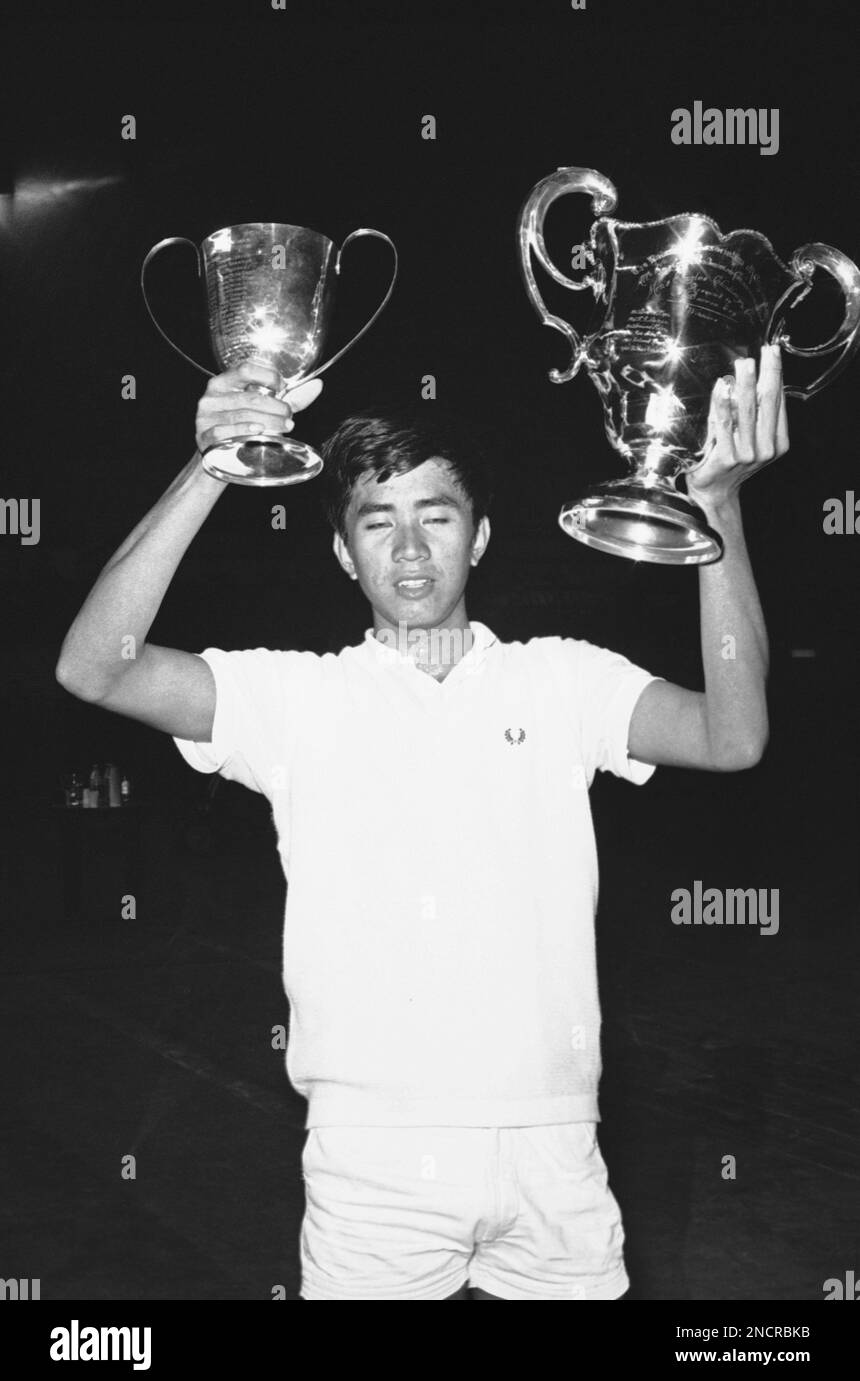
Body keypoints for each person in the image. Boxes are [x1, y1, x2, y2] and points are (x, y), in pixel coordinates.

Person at [56, 348, 789, 1300]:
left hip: (554, 1148)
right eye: (378, 522)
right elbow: (95, 668)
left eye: (436, 517)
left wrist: (716, 512)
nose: (409, 550)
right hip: (372, 1160)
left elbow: (734, 737)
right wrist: (212, 467)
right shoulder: (294, 696)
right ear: (341, 550)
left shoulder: (562, 678)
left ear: (478, 538)